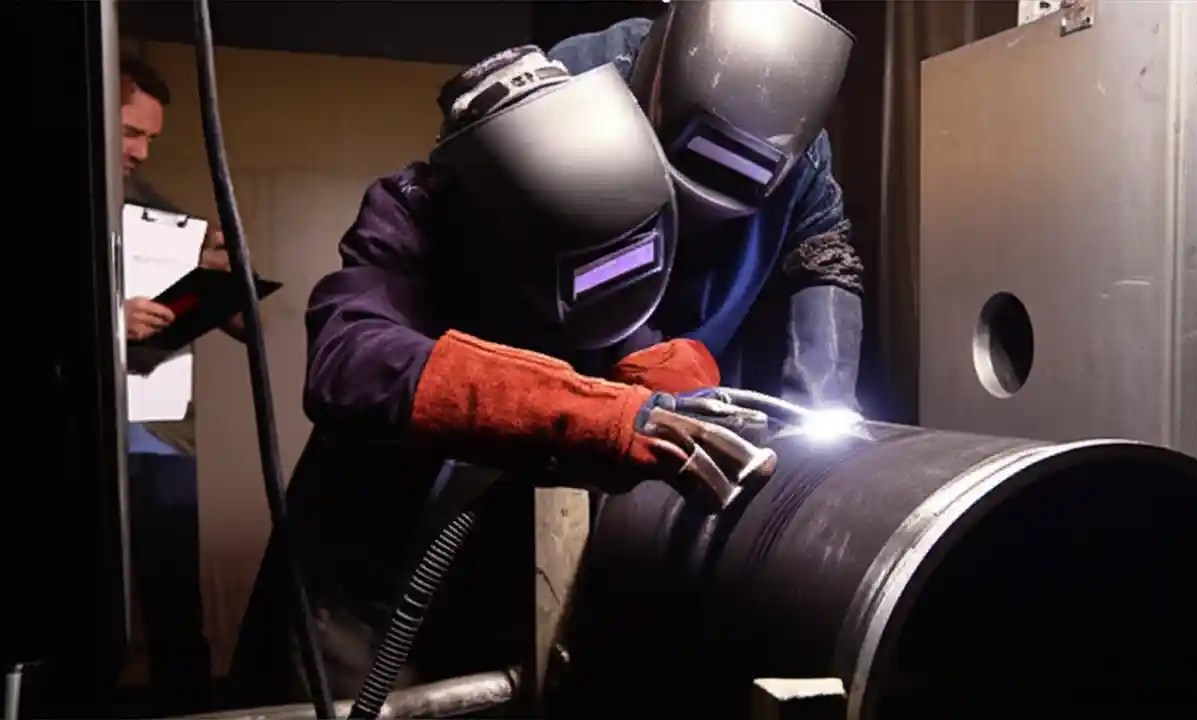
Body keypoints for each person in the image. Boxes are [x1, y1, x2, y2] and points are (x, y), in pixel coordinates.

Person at [226, 45, 767, 707]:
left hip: (493, 575)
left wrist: (671, 376)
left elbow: (619, 316)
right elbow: (349, 358)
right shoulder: (417, 215)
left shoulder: (601, 197)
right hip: (368, 579)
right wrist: (582, 412)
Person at [548, 0, 866, 411]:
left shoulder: (802, 142)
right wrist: (639, 350)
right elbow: (554, 244)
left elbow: (823, 259)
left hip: (705, 375)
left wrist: (826, 400)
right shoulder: (580, 76)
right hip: (570, 382)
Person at [118, 51, 243, 714]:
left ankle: (187, 706)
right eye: (129, 131)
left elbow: (234, 324)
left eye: (150, 139)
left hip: (162, 433)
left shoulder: (158, 213)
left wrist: (222, 276)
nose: (140, 150)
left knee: (173, 602)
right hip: (88, 431)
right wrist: (115, 320)